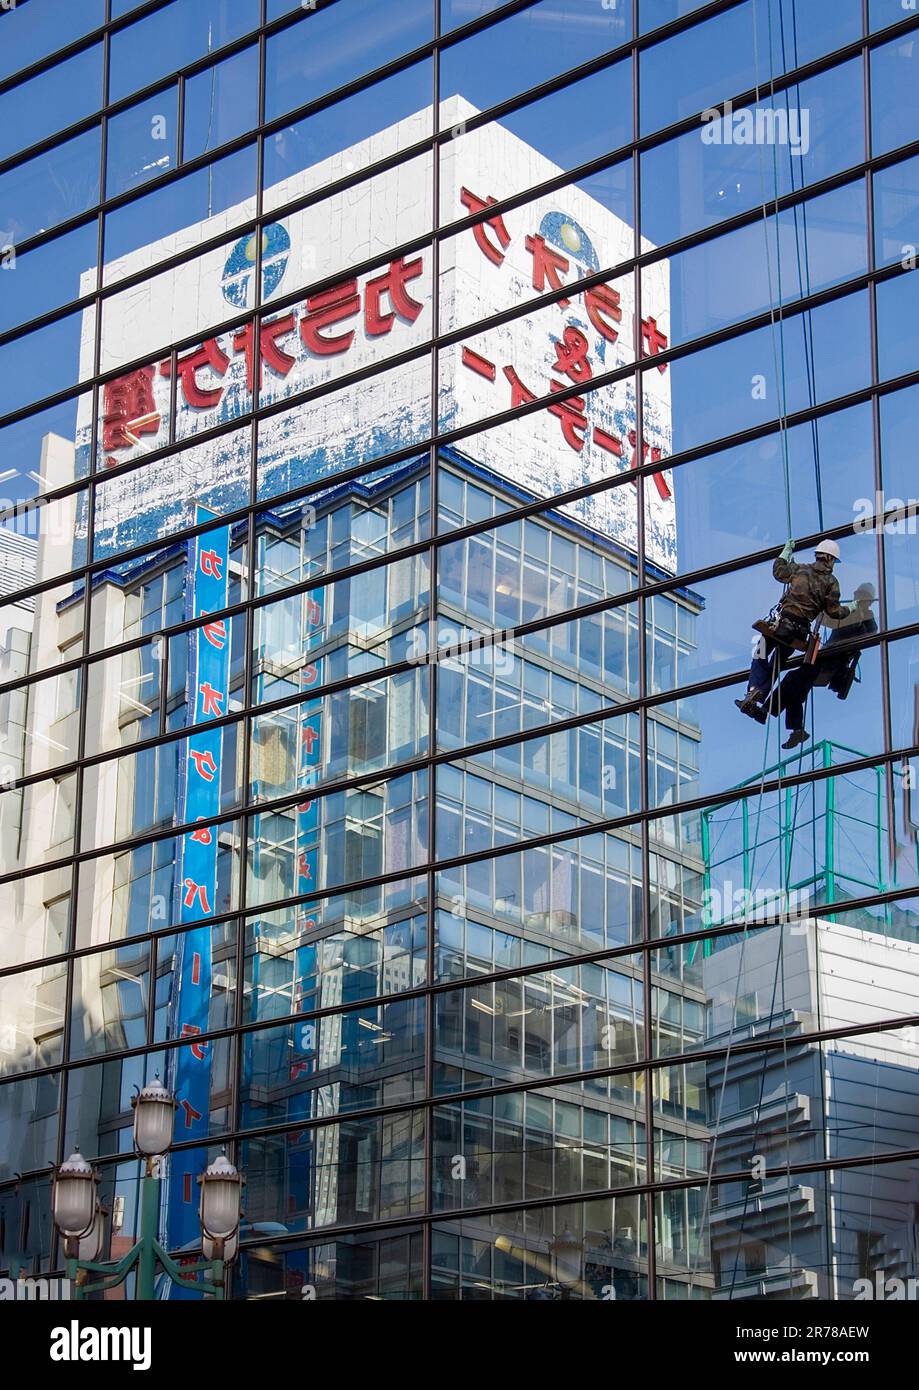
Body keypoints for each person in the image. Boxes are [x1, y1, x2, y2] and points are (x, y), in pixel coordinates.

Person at [736, 537, 856, 723]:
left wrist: (786, 551)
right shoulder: (831, 582)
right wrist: (852, 609)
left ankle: (754, 691)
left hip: (781, 625)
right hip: (798, 633)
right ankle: (756, 694)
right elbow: (833, 611)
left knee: (760, 654)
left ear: (818, 555)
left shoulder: (800, 569)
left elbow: (778, 571)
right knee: (777, 662)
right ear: (830, 559)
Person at [771, 582, 878, 749]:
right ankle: (796, 729)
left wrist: (859, 616)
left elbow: (869, 636)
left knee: (794, 679)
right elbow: (827, 619)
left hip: (835, 662)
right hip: (825, 658)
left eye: (862, 597)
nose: (858, 599)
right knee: (796, 685)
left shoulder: (869, 620)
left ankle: (770, 710)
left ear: (869, 601)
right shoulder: (847, 611)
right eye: (858, 596)